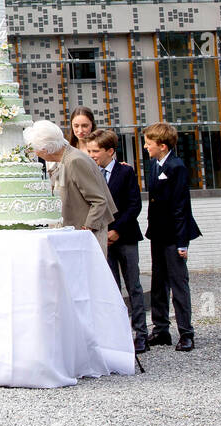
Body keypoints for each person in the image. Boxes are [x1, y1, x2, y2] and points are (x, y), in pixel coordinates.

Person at [83, 129, 147, 352]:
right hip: (102, 238)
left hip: (125, 236)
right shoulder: (91, 173)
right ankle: (117, 334)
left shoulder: (125, 172)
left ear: (110, 151)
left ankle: (141, 333)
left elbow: (134, 205)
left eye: (96, 151)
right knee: (111, 287)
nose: (91, 155)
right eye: (89, 151)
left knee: (134, 286)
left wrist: (117, 230)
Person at [143, 122, 202, 352]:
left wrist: (182, 243)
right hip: (157, 233)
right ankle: (161, 330)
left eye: (149, 144)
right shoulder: (154, 165)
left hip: (173, 235)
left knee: (179, 284)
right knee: (158, 283)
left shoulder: (177, 166)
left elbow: (180, 206)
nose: (146, 147)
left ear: (163, 146)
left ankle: (186, 332)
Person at [23, 119, 116, 256]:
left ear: (46, 149)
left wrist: (87, 228)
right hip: (74, 234)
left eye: (35, 149)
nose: (36, 154)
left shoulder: (74, 160)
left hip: (84, 237)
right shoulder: (65, 159)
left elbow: (98, 200)